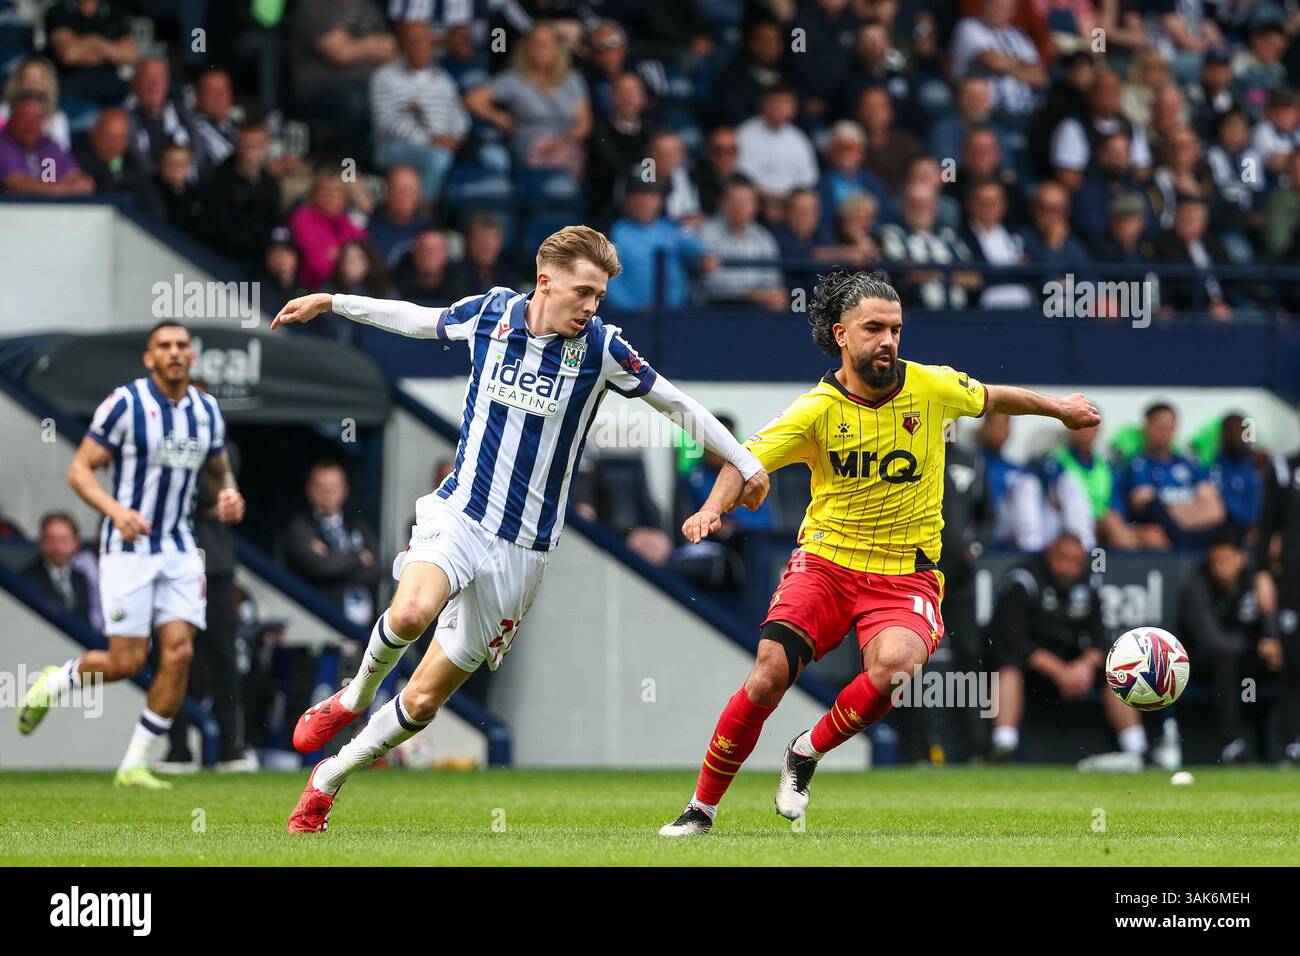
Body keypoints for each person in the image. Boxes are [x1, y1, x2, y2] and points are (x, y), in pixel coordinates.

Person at [271, 225, 769, 833]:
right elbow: (416, 319)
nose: (591, 307)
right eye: (583, 292)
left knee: (425, 701)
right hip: (460, 514)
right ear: (546, 281)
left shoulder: (603, 349)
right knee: (407, 615)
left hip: (524, 552)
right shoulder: (489, 314)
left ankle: (328, 778)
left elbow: (677, 404)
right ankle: (351, 697)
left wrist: (745, 460)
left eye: (599, 297)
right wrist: (332, 301)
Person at [658, 270, 1100, 836]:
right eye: (874, 329)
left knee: (896, 668)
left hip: (904, 574)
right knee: (769, 676)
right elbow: (744, 460)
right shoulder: (815, 411)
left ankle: (806, 751)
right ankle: (702, 808)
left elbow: (995, 396)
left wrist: (1059, 408)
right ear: (841, 334)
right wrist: (712, 510)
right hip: (825, 563)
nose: (888, 340)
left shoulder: (932, 387)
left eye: (895, 329)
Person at [17, 321, 245, 789]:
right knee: (126, 661)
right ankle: (58, 680)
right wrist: (116, 510)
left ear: (192, 357)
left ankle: (134, 764)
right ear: (150, 357)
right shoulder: (125, 404)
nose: (175, 352)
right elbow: (80, 471)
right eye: (165, 346)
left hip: (181, 548)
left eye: (182, 345)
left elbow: (221, 470)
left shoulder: (206, 411)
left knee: (179, 653)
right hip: (128, 549)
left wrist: (230, 495)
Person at [985, 533, 1144, 765]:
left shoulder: (1087, 583)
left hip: (1072, 666)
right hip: (1031, 668)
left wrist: (1084, 665)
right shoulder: (1023, 580)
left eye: (1075, 561)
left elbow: (1102, 640)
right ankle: (1003, 747)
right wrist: (1060, 672)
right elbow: (1012, 639)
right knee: (1008, 669)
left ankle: (1137, 750)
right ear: (1049, 554)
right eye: (1062, 559)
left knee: (1116, 671)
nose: (1068, 568)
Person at [1179, 532, 1280, 763]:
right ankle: (1231, 743)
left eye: (1226, 560)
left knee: (1287, 661)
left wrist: (1274, 643)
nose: (1220, 567)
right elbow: (1211, 641)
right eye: (1215, 561)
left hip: (1247, 664)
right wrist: (1257, 646)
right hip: (1203, 664)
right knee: (1224, 661)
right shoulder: (1197, 586)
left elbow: (1272, 623)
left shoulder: (1255, 583)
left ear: (1241, 559)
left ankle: (1287, 744)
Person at [1103, 402, 1227, 550]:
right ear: (1146, 428)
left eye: (1169, 427)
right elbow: (1145, 504)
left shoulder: (1189, 464)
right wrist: (1192, 510)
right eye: (1159, 427)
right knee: (1154, 536)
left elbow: (1214, 510)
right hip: (1156, 537)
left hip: (1188, 533)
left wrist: (1175, 518)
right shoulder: (1136, 465)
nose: (1164, 432)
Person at [370, 20, 469, 203]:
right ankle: (423, 213)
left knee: (493, 159)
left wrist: (455, 138)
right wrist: (429, 141)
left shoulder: (442, 78)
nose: (420, 46)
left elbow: (459, 114)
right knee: (439, 158)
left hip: (442, 143)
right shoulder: (385, 76)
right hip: (394, 147)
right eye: (413, 41)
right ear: (403, 44)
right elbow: (387, 122)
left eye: (424, 41)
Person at [21, 512, 93, 627]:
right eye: (51, 539)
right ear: (41, 541)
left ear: (76, 543)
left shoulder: (80, 578)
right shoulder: (28, 578)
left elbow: (85, 620)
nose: (57, 547)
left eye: (64, 540)